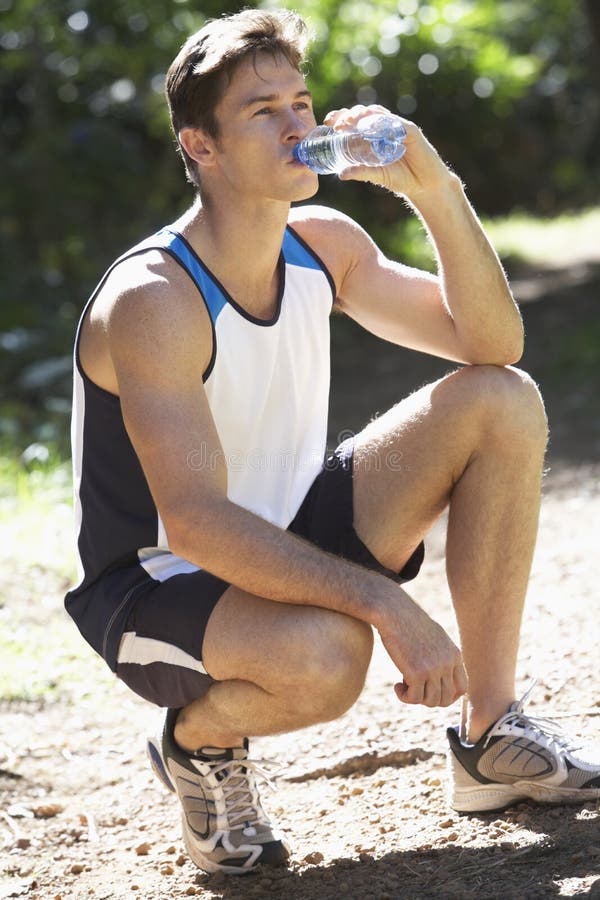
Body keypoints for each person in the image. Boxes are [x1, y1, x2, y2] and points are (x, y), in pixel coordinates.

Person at [65, 8, 600, 876]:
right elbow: (195, 525)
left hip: (281, 530)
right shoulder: (154, 299)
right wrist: (387, 604)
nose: (298, 125)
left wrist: (432, 188)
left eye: (302, 102)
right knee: (329, 657)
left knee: (501, 400)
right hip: (155, 582)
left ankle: (490, 735)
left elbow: (493, 344)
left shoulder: (324, 245)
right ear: (200, 146)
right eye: (263, 110)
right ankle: (196, 743)